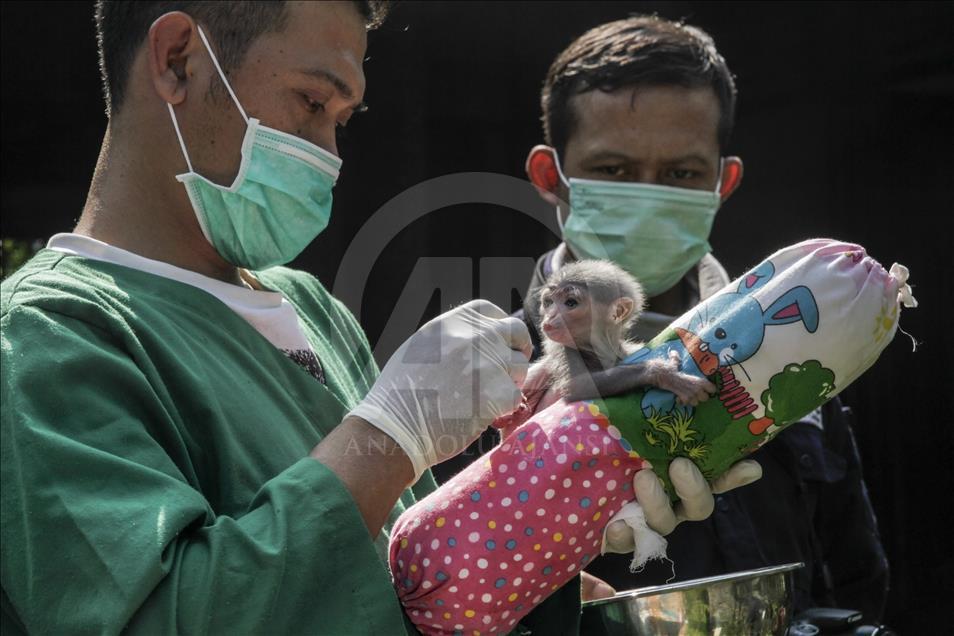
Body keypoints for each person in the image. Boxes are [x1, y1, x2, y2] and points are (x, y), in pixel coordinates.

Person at [0, 3, 751, 634]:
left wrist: (552, 531)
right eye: (312, 102)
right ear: (177, 59)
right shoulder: (48, 337)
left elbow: (401, 591)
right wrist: (384, 438)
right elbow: (163, 617)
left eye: (344, 119)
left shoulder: (310, 307)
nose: (329, 153)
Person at [517, 15, 890, 621]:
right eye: (613, 170)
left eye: (681, 174)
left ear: (723, 182)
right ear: (548, 177)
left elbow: (856, 577)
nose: (648, 192)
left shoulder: (798, 343)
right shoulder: (505, 378)